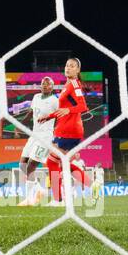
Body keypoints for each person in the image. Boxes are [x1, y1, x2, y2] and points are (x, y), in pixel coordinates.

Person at [42, 58, 90, 206]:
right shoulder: (67, 85)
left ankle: (57, 199)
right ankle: (89, 184)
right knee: (61, 162)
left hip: (70, 130)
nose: (68, 68)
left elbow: (83, 106)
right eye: (67, 65)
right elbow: (63, 110)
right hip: (64, 129)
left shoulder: (74, 84)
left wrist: (68, 109)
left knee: (52, 161)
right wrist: (48, 117)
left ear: (77, 71)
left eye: (72, 66)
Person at [17, 76, 58, 207]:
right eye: (43, 83)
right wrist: (19, 126)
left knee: (31, 166)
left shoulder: (54, 101)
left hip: (45, 137)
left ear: (52, 87)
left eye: (48, 84)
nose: (45, 86)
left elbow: (60, 117)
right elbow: (30, 113)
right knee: (22, 164)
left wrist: (56, 134)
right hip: (34, 134)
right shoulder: (36, 97)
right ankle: (39, 189)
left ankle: (29, 200)